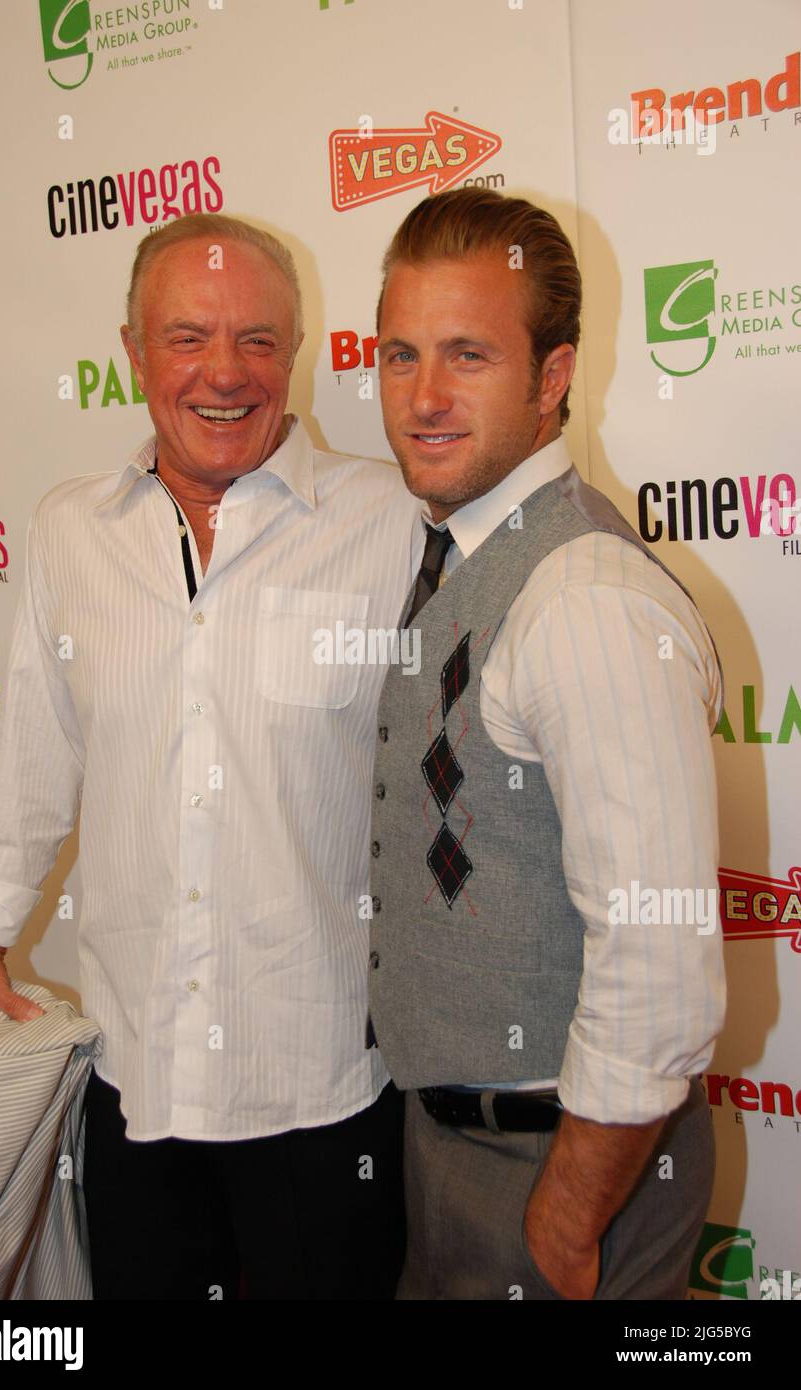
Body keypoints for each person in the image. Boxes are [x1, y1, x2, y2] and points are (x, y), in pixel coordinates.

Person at [0, 212, 424, 1300]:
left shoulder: (390, 522)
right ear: (130, 350)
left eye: (257, 339)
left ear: (296, 352)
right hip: (136, 1081)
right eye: (186, 337)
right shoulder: (72, 530)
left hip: (325, 1088)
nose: (224, 372)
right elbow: (32, 755)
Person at [366, 187, 726, 1301]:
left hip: (564, 1170)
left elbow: (659, 963)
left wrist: (566, 1222)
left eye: (467, 355)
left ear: (552, 376)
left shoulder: (582, 599)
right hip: (459, 1149)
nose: (421, 398)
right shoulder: (457, 550)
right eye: (398, 354)